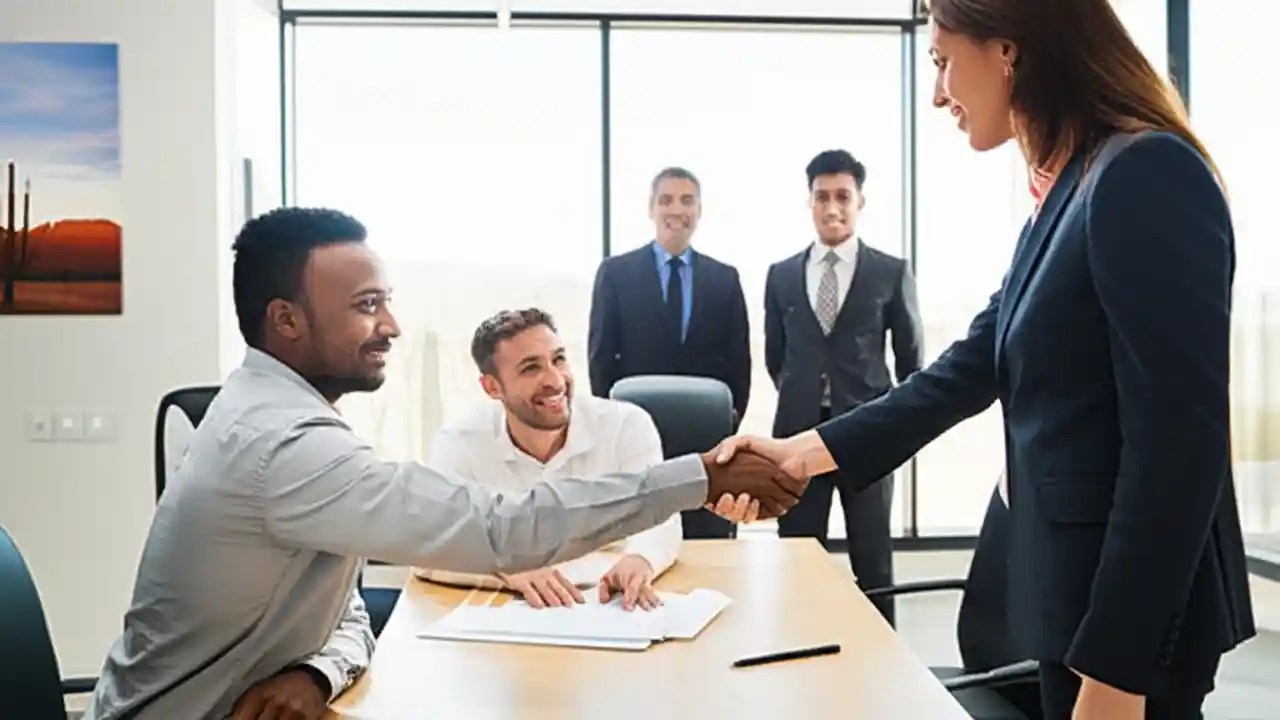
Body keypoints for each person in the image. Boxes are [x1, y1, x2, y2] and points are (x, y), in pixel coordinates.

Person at [713, 1, 1256, 718]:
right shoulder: (1072, 188)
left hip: (1126, 627)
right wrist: (800, 453)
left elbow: (1179, 447)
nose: (938, 93)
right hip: (1067, 603)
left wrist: (1118, 674)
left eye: (942, 61)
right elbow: (967, 369)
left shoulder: (1145, 172)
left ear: (1009, 50)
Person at [83, 208, 805, 720]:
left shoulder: (278, 417)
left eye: (387, 302)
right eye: (368, 305)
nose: (392, 325)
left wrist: (316, 671)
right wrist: (701, 476)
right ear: (287, 320)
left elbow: (344, 608)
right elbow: (500, 530)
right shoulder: (283, 446)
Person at [416, 308, 681, 611]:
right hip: (512, 610)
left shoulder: (625, 425)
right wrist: (504, 568)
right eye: (531, 368)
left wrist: (641, 559)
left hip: (610, 602)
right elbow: (425, 544)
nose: (555, 380)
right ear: (492, 387)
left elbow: (662, 515)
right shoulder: (460, 442)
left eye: (559, 360)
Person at [764, 149, 922, 625]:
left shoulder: (891, 272)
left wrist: (894, 428)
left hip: (867, 436)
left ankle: (883, 659)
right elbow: (776, 358)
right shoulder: (782, 275)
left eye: (842, 197)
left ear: (860, 202)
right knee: (797, 557)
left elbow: (911, 361)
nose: (832, 208)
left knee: (873, 564)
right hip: (799, 436)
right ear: (809, 202)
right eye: (822, 197)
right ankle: (798, 646)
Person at [588, 166, 752, 423]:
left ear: (699, 210)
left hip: (703, 423)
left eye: (687, 201)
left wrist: (729, 422)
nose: (676, 210)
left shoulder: (724, 279)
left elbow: (738, 363)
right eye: (666, 200)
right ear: (651, 209)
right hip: (634, 423)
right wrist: (612, 422)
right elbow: (601, 360)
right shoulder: (616, 274)